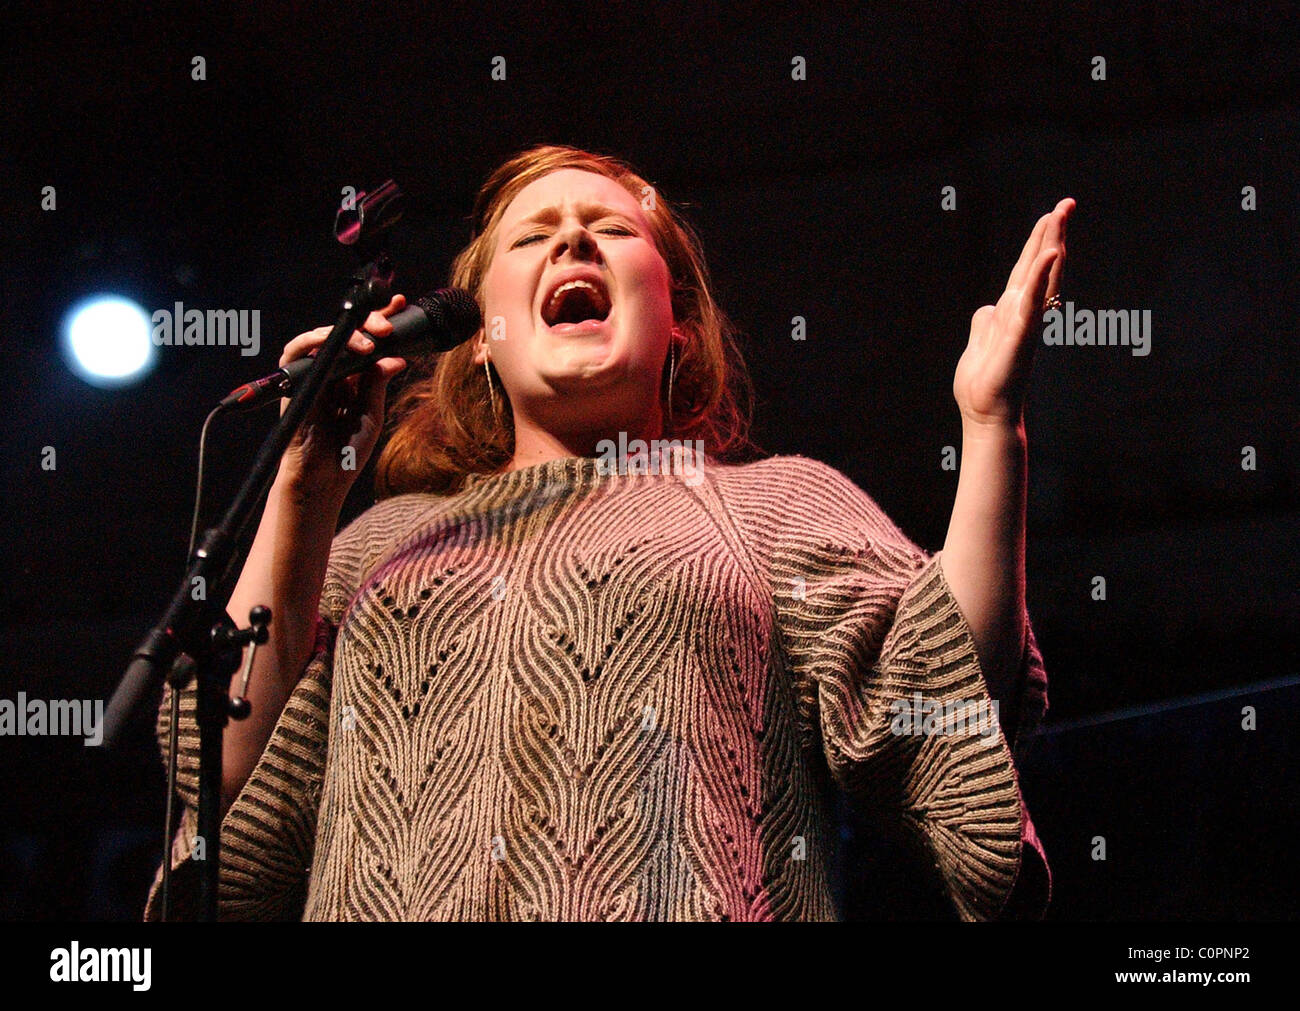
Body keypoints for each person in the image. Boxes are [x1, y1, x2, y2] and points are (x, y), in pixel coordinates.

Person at [146, 144, 1071, 922]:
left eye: (614, 227)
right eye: (533, 235)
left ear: (677, 325)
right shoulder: (380, 544)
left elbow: (956, 698)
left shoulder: (775, 507)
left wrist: (993, 429)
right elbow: (220, 786)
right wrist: (308, 483)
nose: (575, 239)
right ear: (479, 335)